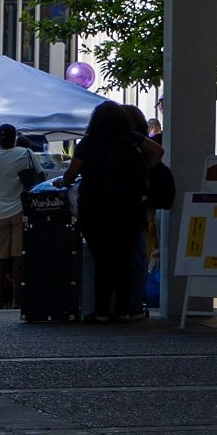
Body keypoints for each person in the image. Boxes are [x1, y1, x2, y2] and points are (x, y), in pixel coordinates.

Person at [57, 102, 158, 323]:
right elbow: (157, 151)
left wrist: (64, 181)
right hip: (130, 207)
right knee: (124, 258)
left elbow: (70, 174)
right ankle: (122, 310)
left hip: (96, 207)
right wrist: (142, 170)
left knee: (102, 260)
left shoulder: (88, 143)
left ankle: (101, 311)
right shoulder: (132, 139)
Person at [0, 122, 37, 309]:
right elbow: (40, 178)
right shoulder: (26, 153)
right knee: (18, 257)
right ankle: (17, 300)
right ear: (15, 138)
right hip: (19, 210)